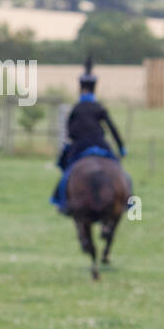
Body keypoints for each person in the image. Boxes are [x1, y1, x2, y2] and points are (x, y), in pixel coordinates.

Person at [51, 57, 125, 214]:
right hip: (100, 143)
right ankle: (128, 201)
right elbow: (112, 128)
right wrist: (121, 147)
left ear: (81, 88)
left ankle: (61, 200)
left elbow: (69, 130)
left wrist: (67, 145)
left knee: (68, 172)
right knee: (119, 170)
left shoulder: (76, 108)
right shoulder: (99, 107)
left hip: (80, 145)